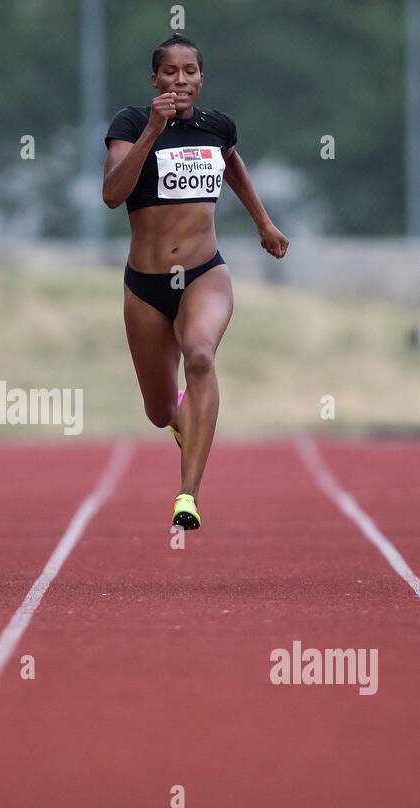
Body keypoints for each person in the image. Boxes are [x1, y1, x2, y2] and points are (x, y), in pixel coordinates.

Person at [103, 33, 288, 531]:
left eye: (190, 72)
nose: (180, 81)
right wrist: (152, 132)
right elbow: (112, 194)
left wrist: (263, 223)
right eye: (170, 72)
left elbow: (233, 167)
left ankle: (188, 495)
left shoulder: (217, 127)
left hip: (205, 273)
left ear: (202, 79)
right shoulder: (130, 123)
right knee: (159, 410)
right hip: (145, 283)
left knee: (201, 355)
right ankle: (184, 423)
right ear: (154, 79)